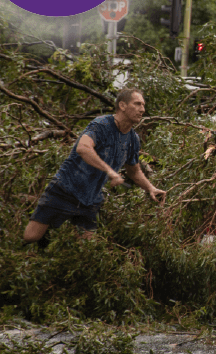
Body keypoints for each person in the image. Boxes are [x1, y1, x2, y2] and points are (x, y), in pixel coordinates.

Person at [23, 88, 165, 243]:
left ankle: (60, 240)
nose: (142, 109)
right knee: (31, 237)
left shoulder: (133, 139)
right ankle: (48, 236)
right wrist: (110, 171)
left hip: (90, 199)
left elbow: (134, 171)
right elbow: (83, 148)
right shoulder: (101, 125)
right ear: (122, 105)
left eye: (143, 105)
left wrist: (151, 188)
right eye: (137, 104)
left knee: (89, 246)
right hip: (65, 189)